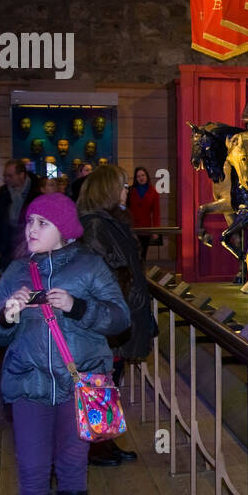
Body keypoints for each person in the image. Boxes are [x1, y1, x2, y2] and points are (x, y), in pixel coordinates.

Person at [0, 193, 130, 495]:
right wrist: (6, 317)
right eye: (30, 222)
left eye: (42, 224)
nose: (31, 230)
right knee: (31, 473)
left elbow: (120, 318)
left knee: (71, 470)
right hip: (28, 386)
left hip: (77, 388)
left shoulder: (89, 266)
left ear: (63, 230)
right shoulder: (15, 272)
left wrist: (79, 307)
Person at [77, 164, 157, 466]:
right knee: (102, 381)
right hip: (109, 320)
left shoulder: (110, 222)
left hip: (119, 315)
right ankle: (97, 446)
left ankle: (105, 442)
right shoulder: (97, 225)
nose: (126, 190)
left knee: (110, 380)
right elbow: (107, 274)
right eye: (122, 185)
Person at [0, 159, 41, 275]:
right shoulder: (3, 192)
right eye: (5, 176)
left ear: (22, 175)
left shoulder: (36, 192)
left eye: (10, 176)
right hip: (7, 241)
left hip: (28, 241)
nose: (6, 179)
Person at [126, 166, 162, 260]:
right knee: (132, 254)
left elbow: (156, 213)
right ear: (135, 178)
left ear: (147, 176)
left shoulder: (153, 192)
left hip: (146, 228)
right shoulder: (130, 191)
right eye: (138, 176)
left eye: (143, 175)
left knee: (142, 255)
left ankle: (141, 273)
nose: (141, 178)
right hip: (132, 227)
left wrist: (155, 230)